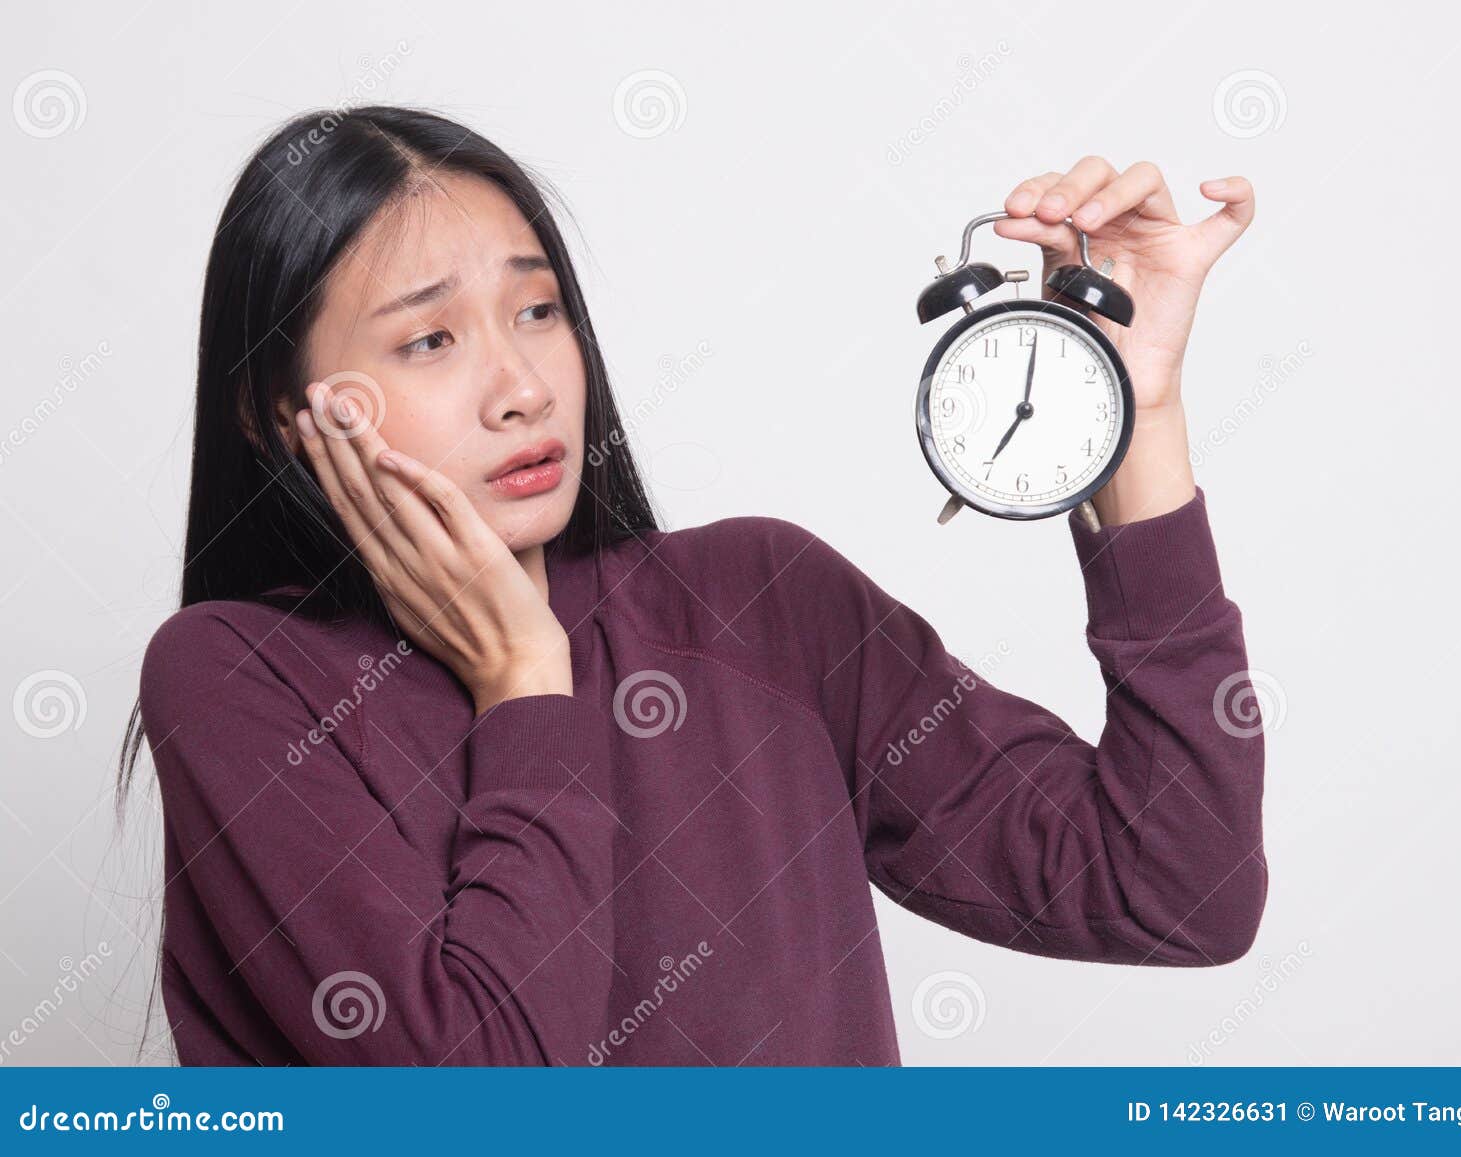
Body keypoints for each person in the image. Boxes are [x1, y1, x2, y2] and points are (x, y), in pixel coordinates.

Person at [123, 104, 1265, 1066]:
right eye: (428, 341)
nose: (519, 386)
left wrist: (1136, 417)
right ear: (281, 412)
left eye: (537, 310)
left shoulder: (758, 602)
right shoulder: (236, 680)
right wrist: (525, 681)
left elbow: (1178, 887)